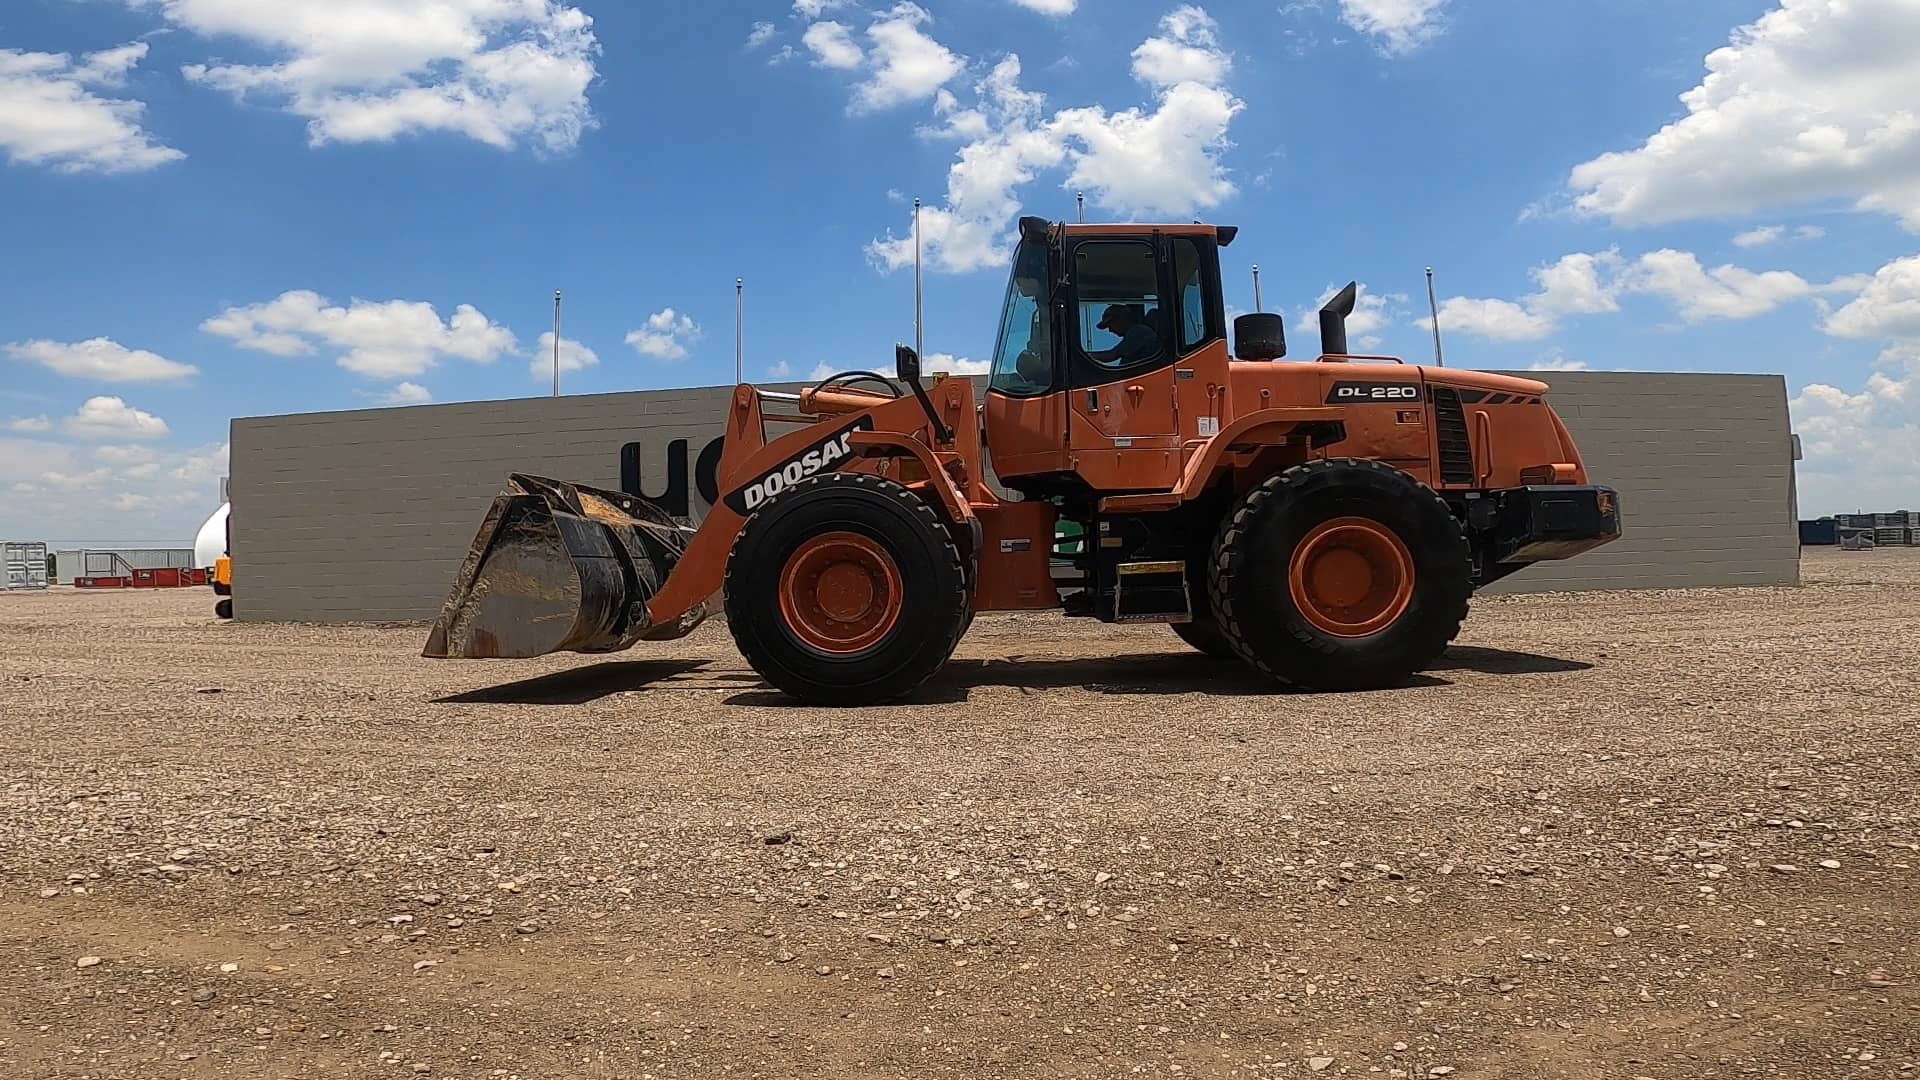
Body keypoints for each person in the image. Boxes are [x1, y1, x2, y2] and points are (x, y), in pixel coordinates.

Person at [1089, 304, 1160, 365]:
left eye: (1110, 324)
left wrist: (1086, 355)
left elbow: (1111, 355)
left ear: (1122, 318)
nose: (1110, 330)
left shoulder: (1138, 332)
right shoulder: (1133, 333)